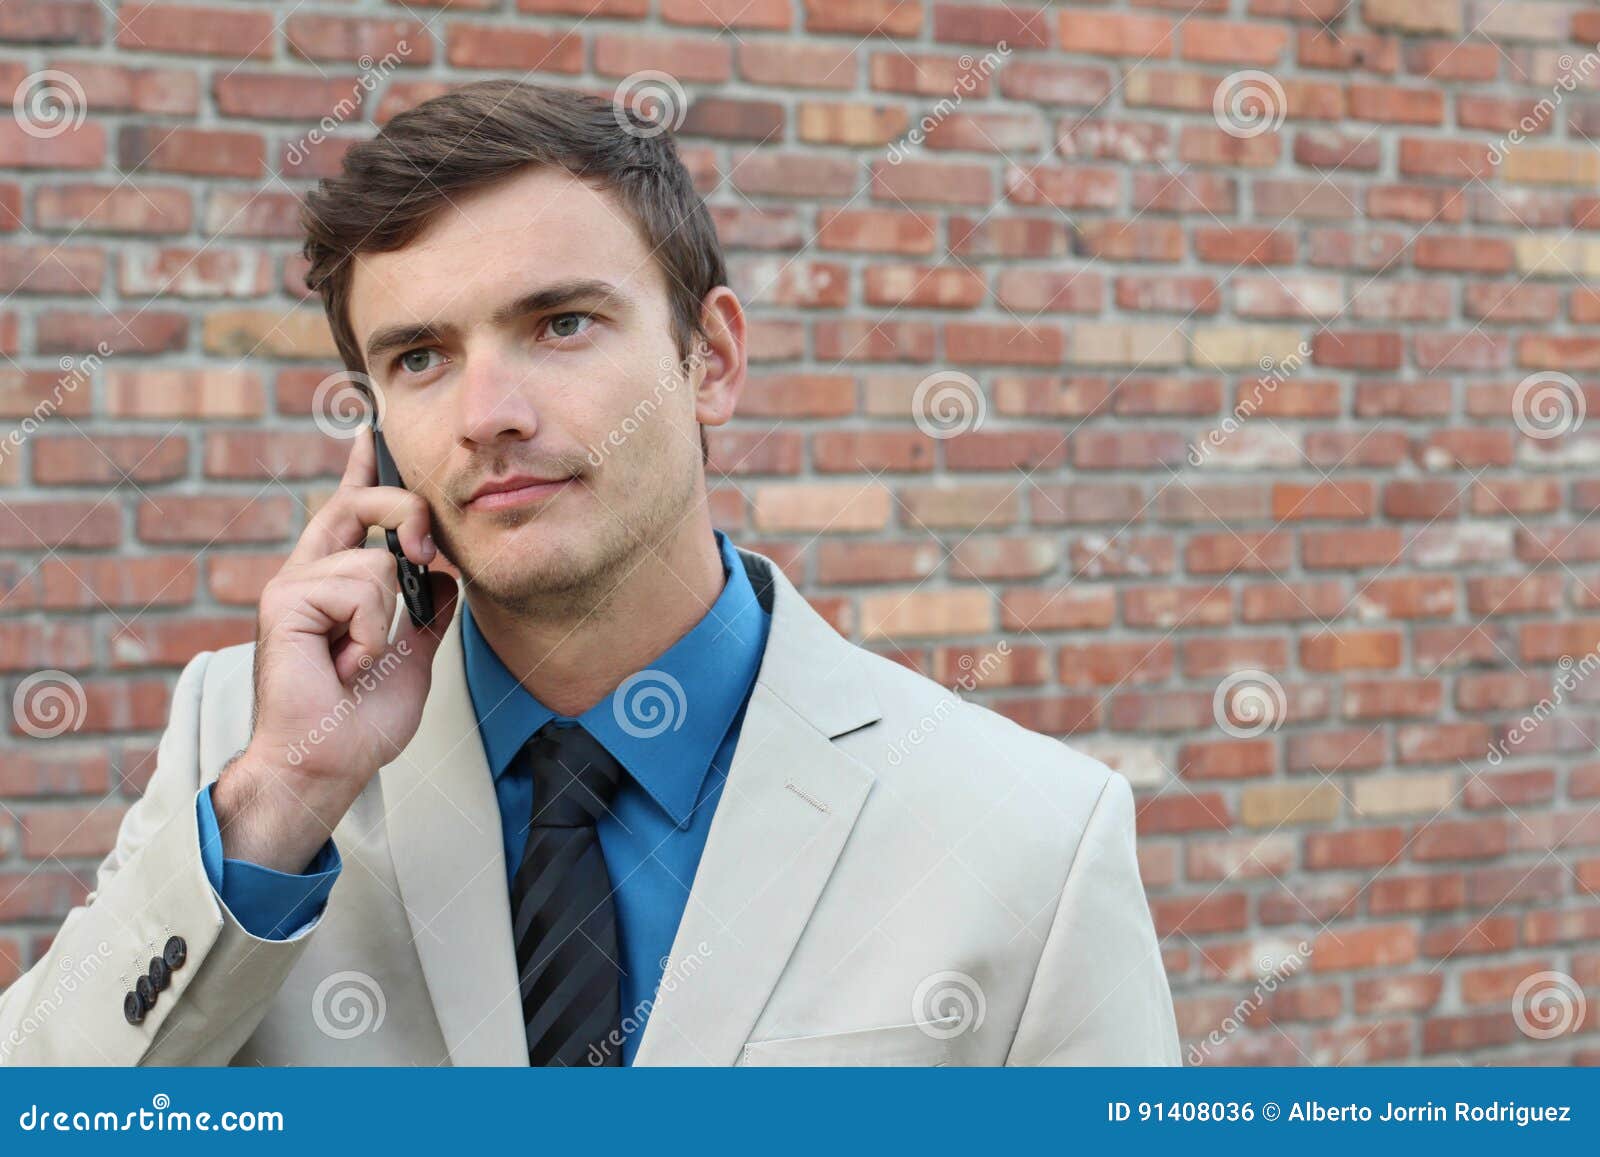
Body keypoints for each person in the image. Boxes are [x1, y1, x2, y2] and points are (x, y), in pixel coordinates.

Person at [0, 80, 1179, 1066]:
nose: (487, 416)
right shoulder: (245, 752)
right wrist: (284, 799)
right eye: (419, 356)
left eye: (560, 323)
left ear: (708, 360)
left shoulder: (1031, 833)